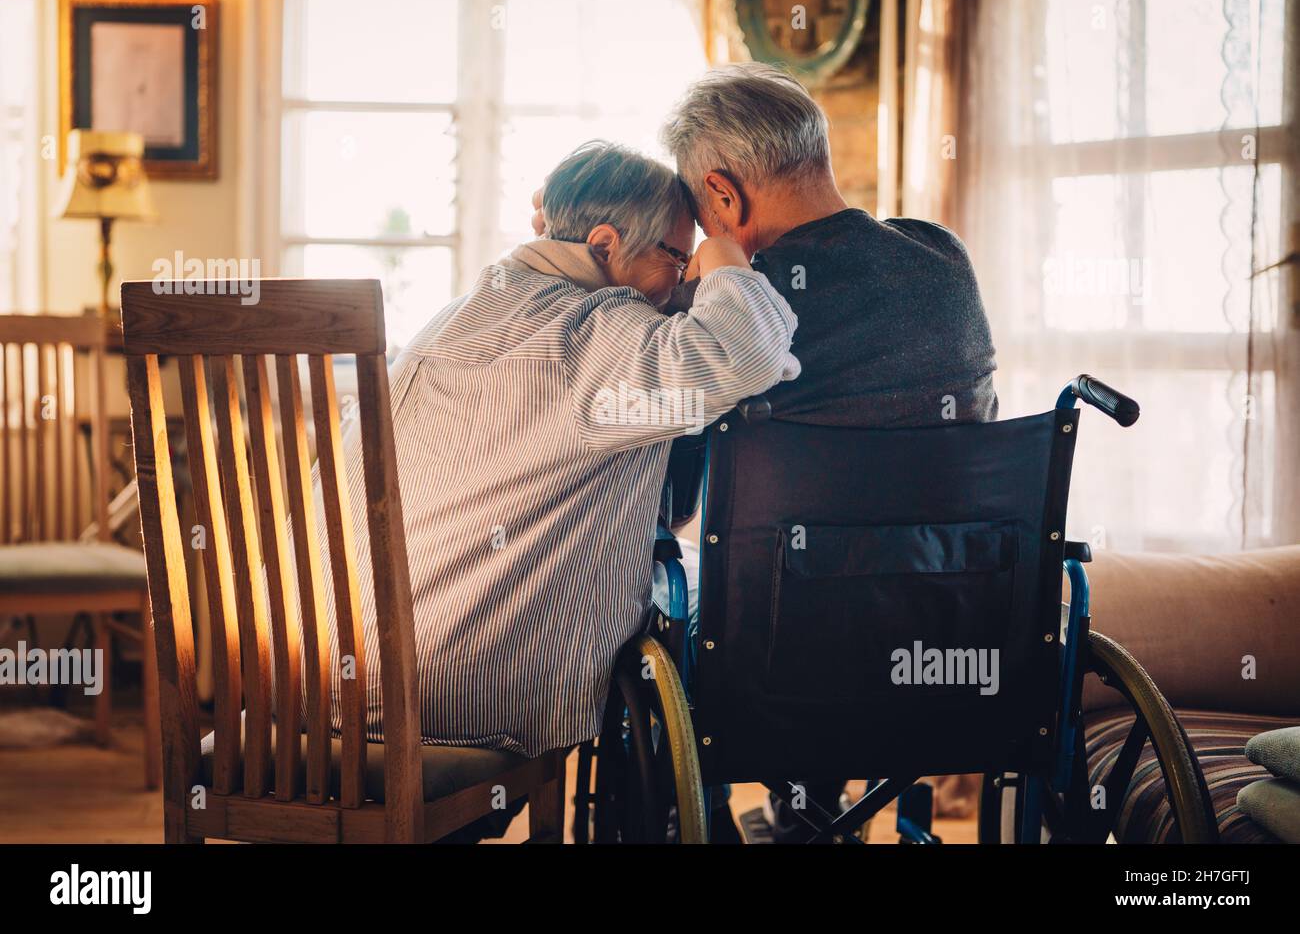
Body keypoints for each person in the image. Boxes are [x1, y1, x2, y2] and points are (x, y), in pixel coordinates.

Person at [537, 64, 998, 842]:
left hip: (773, 658)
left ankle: (736, 813)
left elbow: (673, 501)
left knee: (691, 576)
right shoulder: (943, 261)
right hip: (956, 631)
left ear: (721, 195)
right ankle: (807, 810)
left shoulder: (733, 313)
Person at [312, 140, 800, 773]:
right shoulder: (593, 335)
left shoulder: (464, 315)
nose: (682, 283)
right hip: (434, 702)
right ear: (603, 246)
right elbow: (751, 352)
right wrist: (727, 255)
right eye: (679, 260)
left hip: (314, 677)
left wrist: (673, 281)